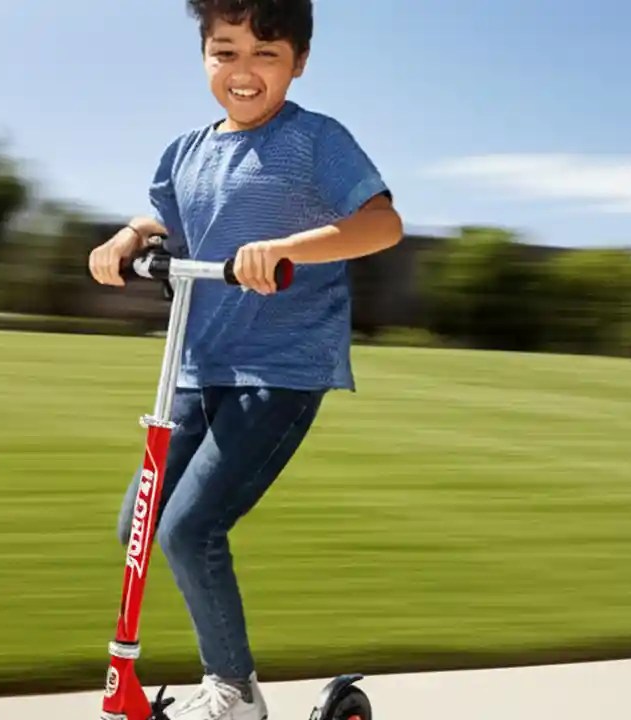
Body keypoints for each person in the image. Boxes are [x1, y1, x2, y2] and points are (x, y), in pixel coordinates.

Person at [88, 1, 403, 718]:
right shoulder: (186, 150)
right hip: (199, 364)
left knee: (189, 528)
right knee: (136, 523)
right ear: (204, 57)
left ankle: (233, 693)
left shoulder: (317, 141)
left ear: (299, 62)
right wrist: (127, 235)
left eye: (266, 53)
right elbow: (167, 212)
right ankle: (176, 682)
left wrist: (290, 248)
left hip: (281, 369)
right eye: (225, 51)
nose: (244, 70)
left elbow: (382, 224)